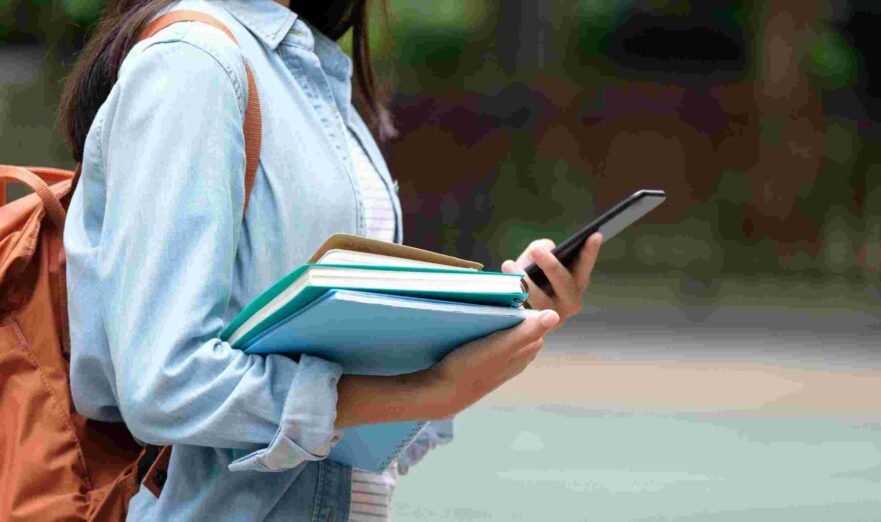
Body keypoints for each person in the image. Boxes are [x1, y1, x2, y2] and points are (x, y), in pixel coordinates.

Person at [60, 0, 603, 520]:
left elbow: (354, 422)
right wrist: (426, 391)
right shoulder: (194, 62)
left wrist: (508, 318)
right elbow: (166, 382)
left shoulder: (305, 69)